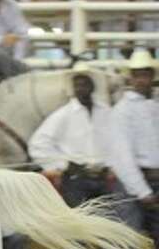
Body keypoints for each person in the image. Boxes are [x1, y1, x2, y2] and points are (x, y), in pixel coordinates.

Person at [78, 50, 159, 249]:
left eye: (146, 74)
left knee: (126, 247)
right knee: (124, 247)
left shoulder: (152, 106)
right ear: (132, 77)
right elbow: (122, 157)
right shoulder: (123, 111)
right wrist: (142, 191)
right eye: (138, 75)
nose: (142, 79)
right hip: (135, 184)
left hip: (149, 181)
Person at [28, 63, 114, 208]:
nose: (80, 89)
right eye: (77, 85)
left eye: (84, 84)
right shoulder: (64, 114)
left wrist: (112, 166)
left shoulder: (106, 112)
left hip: (103, 178)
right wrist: (63, 165)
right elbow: (37, 143)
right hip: (76, 179)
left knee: (106, 221)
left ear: (92, 86)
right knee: (80, 222)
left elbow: (116, 143)